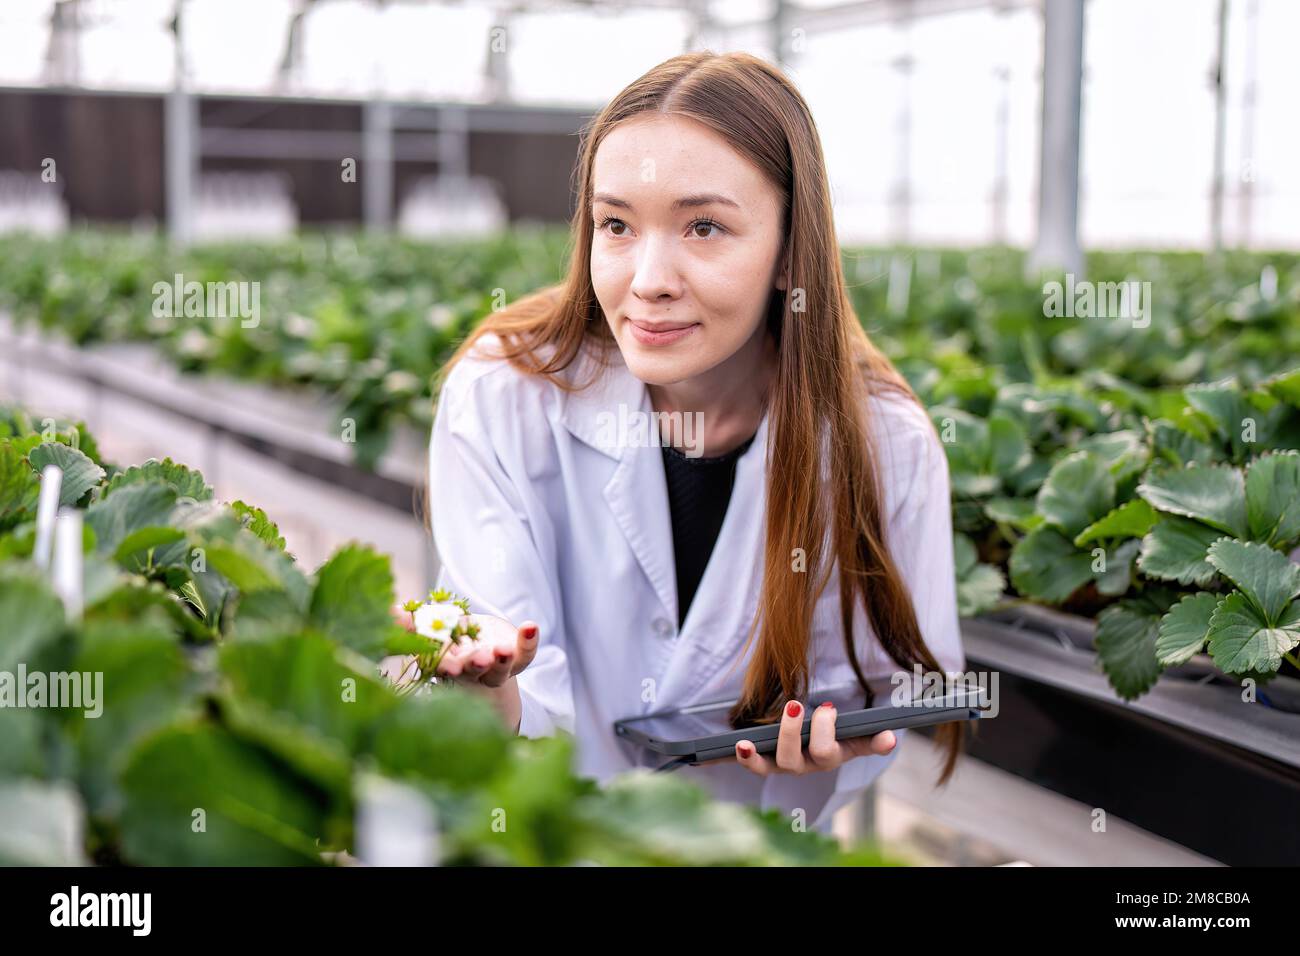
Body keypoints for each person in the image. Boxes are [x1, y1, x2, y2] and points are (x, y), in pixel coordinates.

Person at [422, 50, 966, 836]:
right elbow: (514, 686)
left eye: (703, 226)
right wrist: (492, 698)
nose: (648, 278)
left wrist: (823, 755)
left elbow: (896, 692)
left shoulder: (886, 444)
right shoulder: (503, 393)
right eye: (616, 225)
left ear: (790, 251)